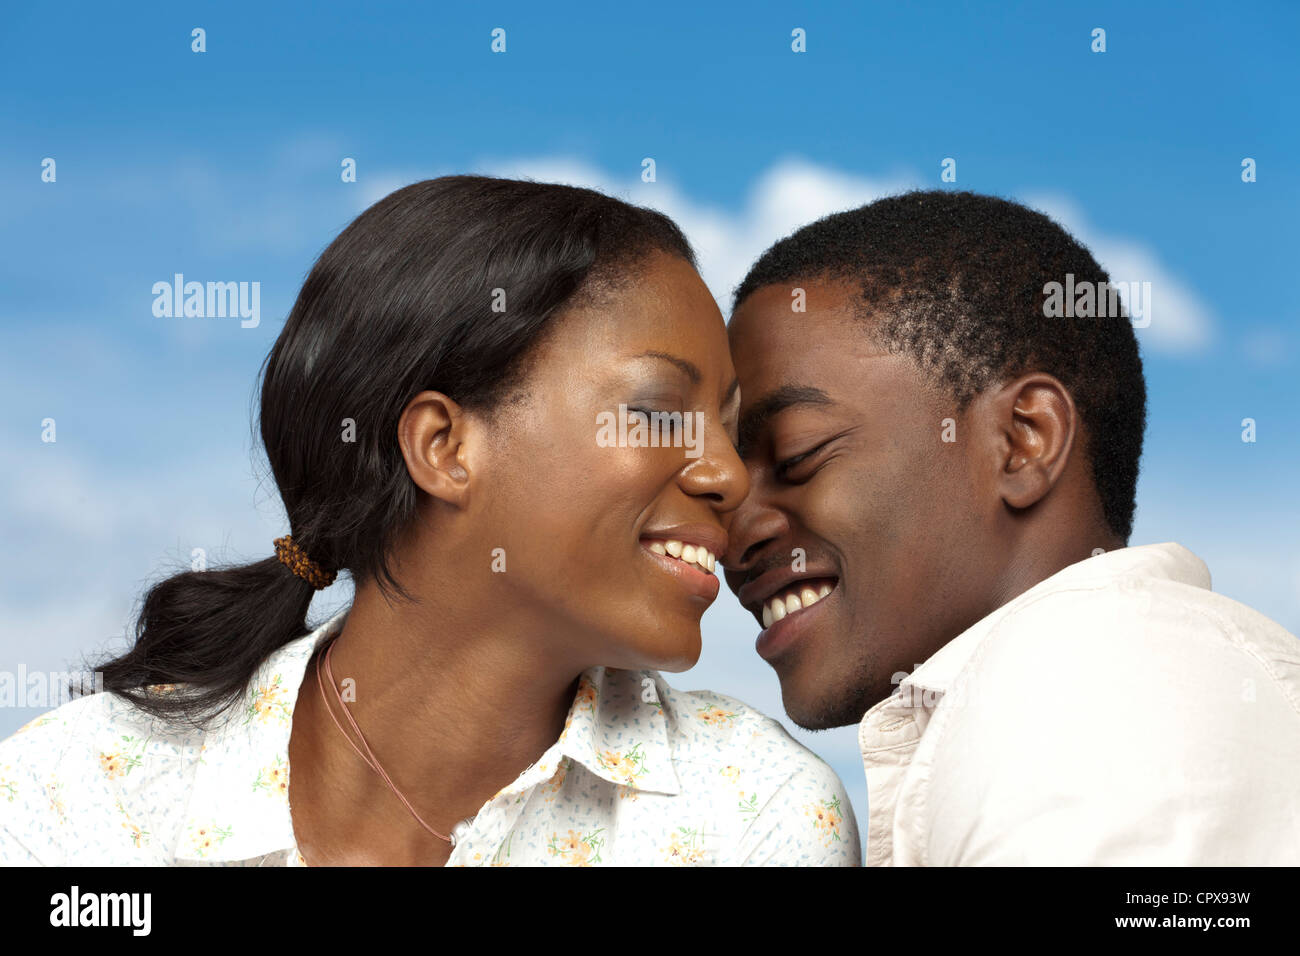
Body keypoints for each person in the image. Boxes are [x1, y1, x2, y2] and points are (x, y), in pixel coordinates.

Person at [0, 176, 858, 867]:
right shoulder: (73, 797)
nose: (726, 474)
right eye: (661, 410)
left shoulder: (757, 819)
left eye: (731, 428)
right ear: (444, 447)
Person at [720, 189, 1300, 865]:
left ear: (1023, 440)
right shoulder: (1106, 689)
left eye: (796, 454)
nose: (734, 533)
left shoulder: (1089, 704)